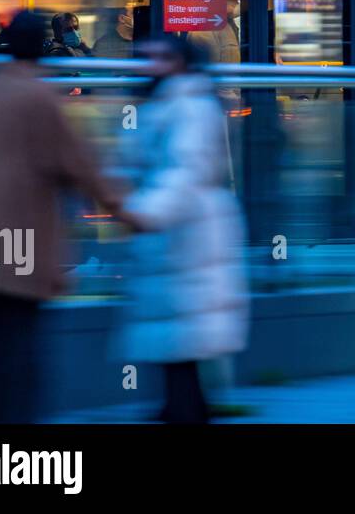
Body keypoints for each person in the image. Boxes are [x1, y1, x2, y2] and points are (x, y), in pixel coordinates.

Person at [0, 11, 122, 423]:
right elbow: (79, 167)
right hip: (20, 254)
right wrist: (125, 210)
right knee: (23, 358)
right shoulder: (36, 96)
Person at [115, 37, 248, 424]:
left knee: (181, 338)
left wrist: (144, 213)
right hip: (178, 232)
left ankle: (185, 410)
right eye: (145, 56)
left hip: (188, 232)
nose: (150, 64)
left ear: (183, 64)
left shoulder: (187, 107)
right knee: (179, 340)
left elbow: (184, 169)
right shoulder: (168, 105)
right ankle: (184, 408)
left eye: (162, 57)